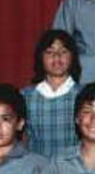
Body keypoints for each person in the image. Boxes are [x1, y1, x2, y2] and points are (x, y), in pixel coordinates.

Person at [23, 30, 82, 158]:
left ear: (73, 56)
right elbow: (22, 140)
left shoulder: (83, 95)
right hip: (37, 171)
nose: (57, 57)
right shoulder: (25, 96)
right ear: (41, 57)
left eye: (63, 52)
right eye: (50, 52)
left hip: (75, 172)